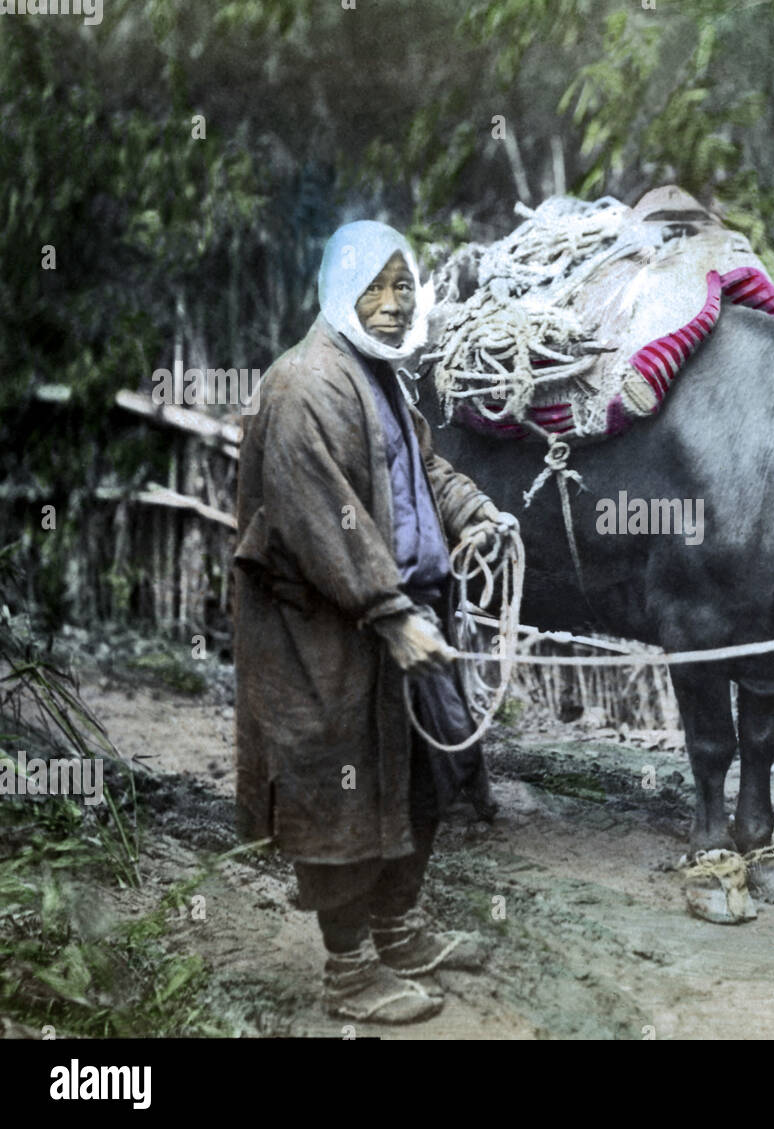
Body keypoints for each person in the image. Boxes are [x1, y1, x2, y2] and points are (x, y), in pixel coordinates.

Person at [233, 220, 512, 1024]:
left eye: (404, 286)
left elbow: (420, 468)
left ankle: (401, 928)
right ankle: (348, 970)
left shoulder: (382, 375)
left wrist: (473, 514)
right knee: (342, 795)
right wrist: (388, 612)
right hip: (325, 635)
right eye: (375, 287)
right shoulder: (304, 383)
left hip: (400, 622)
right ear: (337, 288)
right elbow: (321, 517)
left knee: (421, 779)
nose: (392, 305)